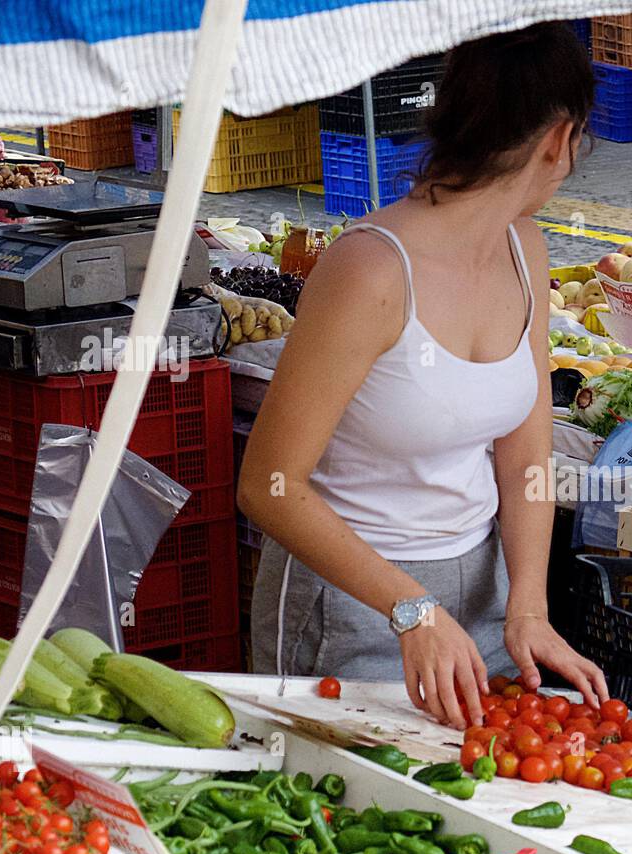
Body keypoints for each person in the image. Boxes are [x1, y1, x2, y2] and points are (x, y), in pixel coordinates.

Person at [242, 23, 608, 731]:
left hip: (480, 595)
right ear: (558, 141)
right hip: (348, 602)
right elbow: (268, 485)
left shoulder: (524, 248)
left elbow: (526, 456)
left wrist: (526, 606)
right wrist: (411, 608)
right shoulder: (370, 269)